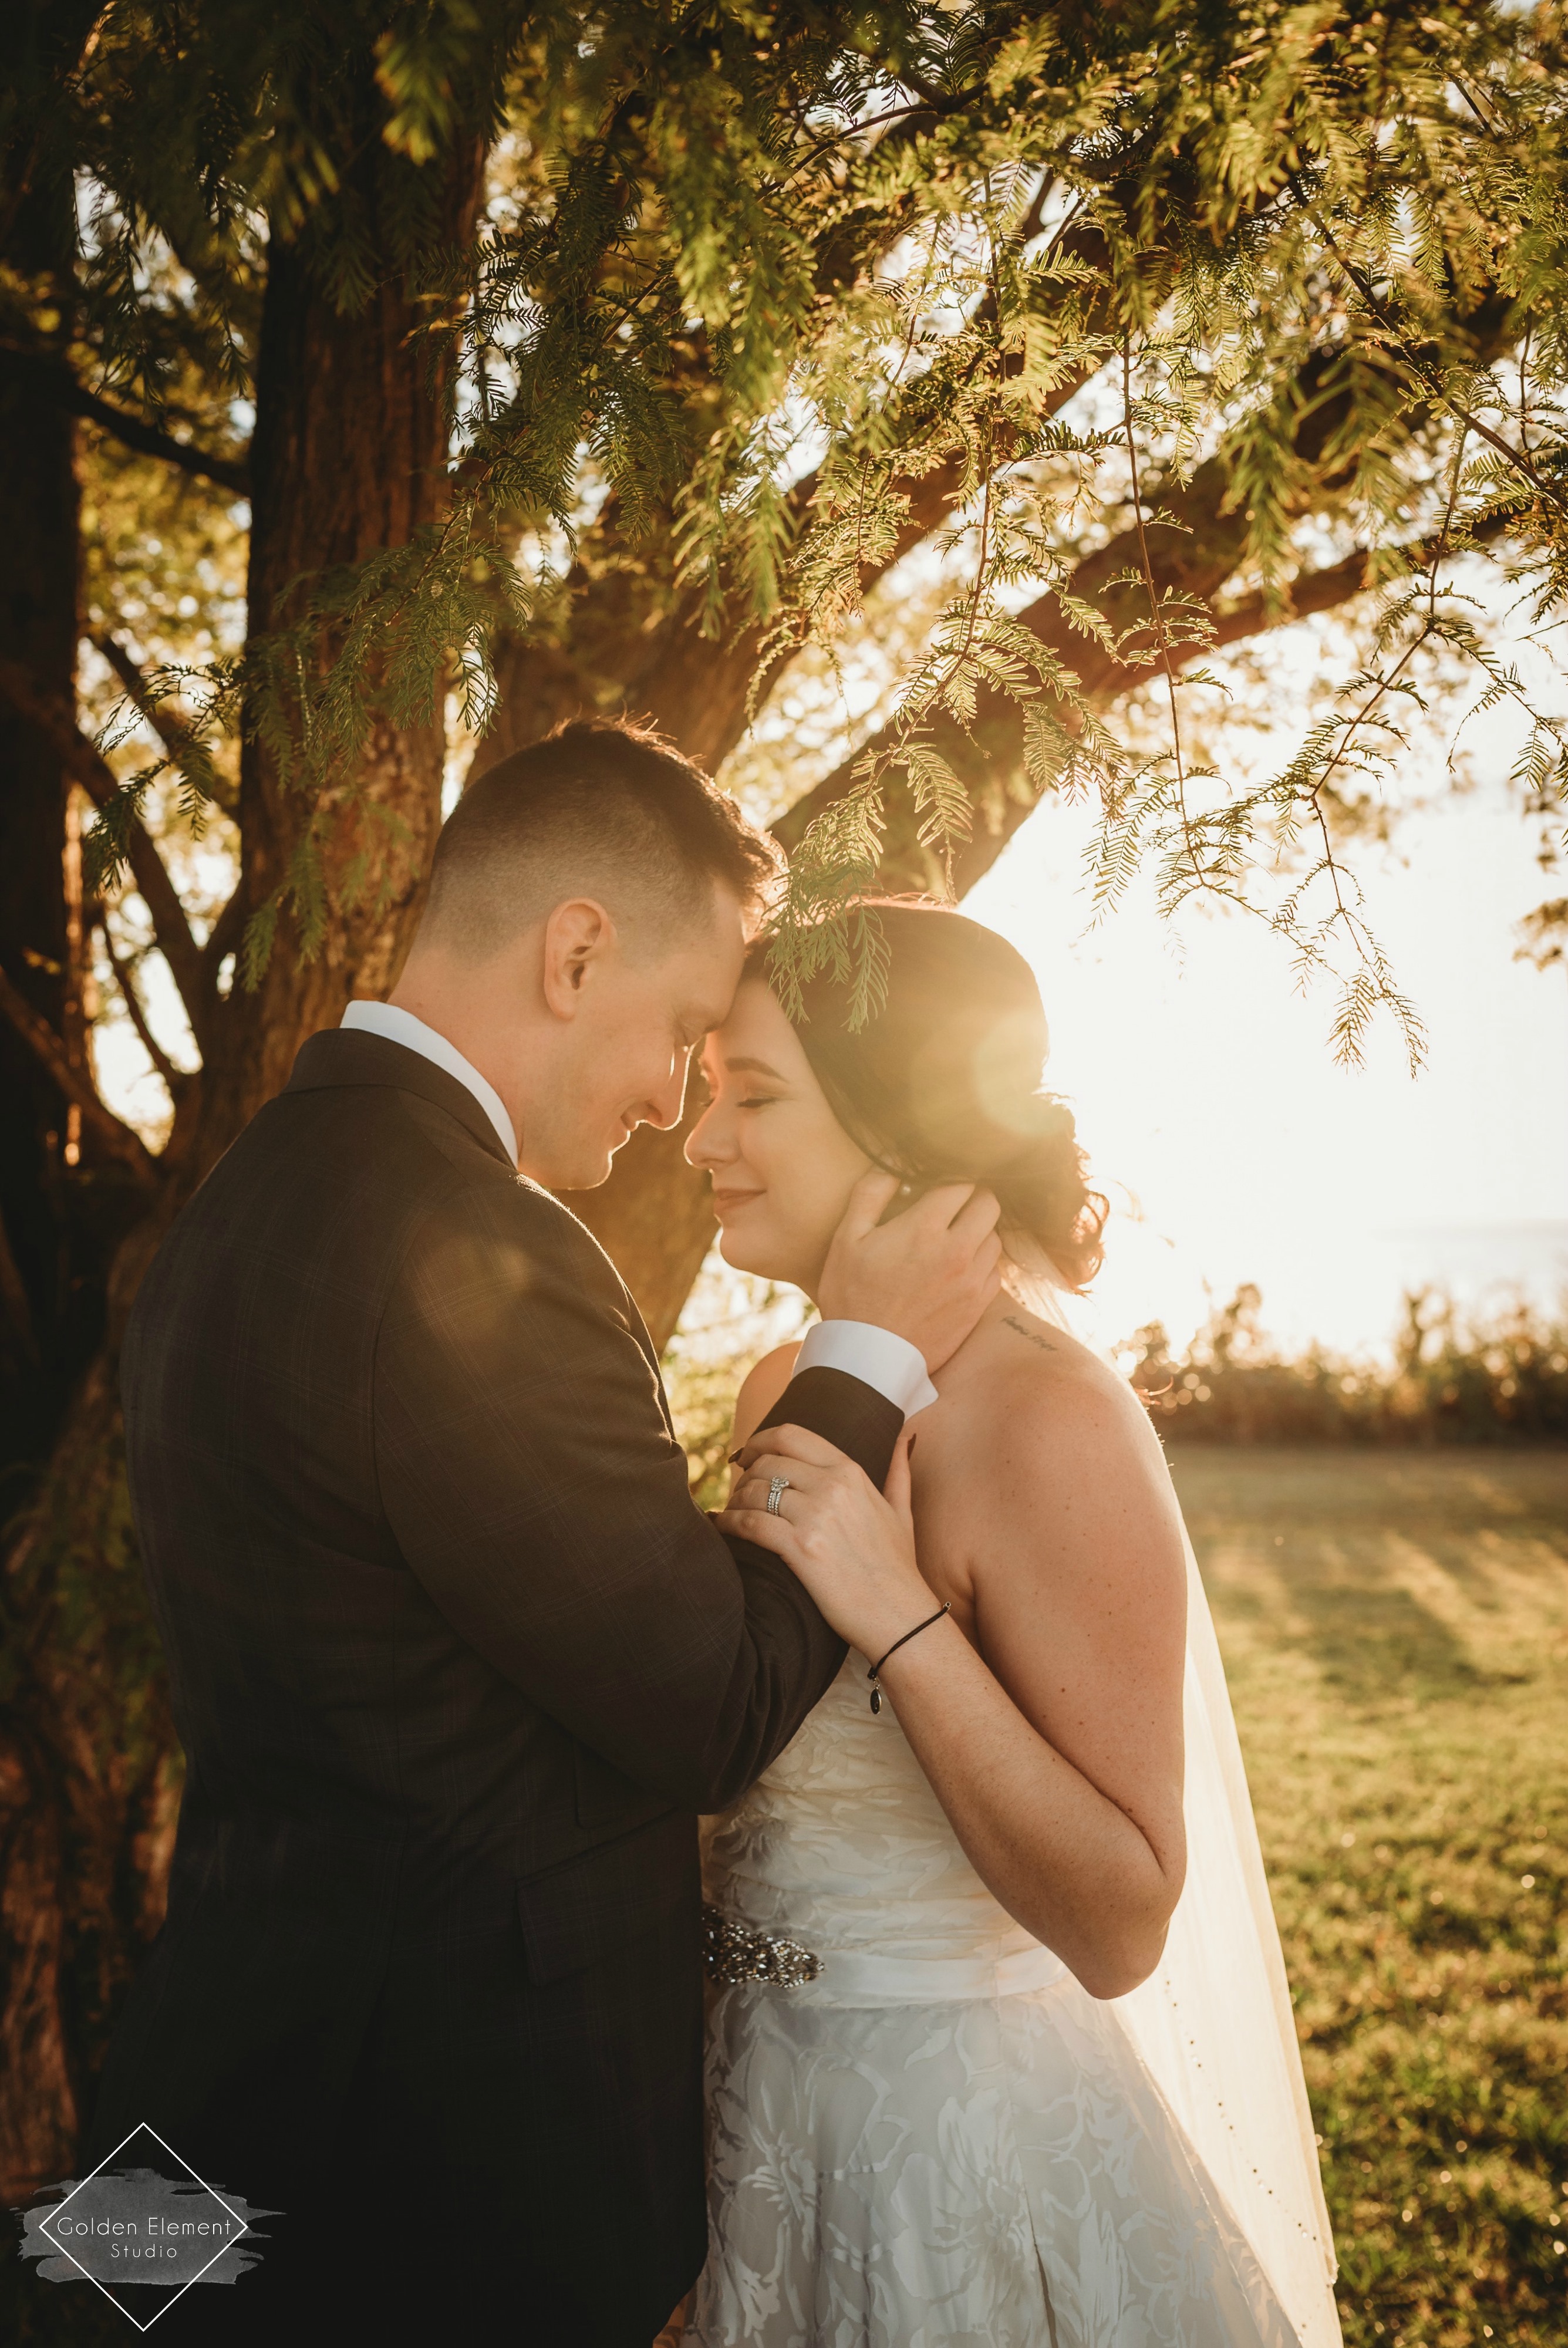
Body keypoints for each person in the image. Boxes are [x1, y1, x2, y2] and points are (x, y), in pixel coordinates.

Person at [85, 726, 1004, 2345]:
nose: (676, 1099)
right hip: (426, 2191)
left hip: (230, 2089)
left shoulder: (242, 1205)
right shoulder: (464, 1239)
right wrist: (865, 1354)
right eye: (684, 1032)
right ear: (576, 951)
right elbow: (705, 1702)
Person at [677, 900, 1341, 2348]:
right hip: (757, 2120)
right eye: (708, 1086)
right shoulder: (785, 1379)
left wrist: (898, 1611)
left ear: (901, 1121)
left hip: (950, 2162)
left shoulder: (1052, 1419)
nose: (701, 1137)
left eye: (755, 1094)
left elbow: (1119, 1918)